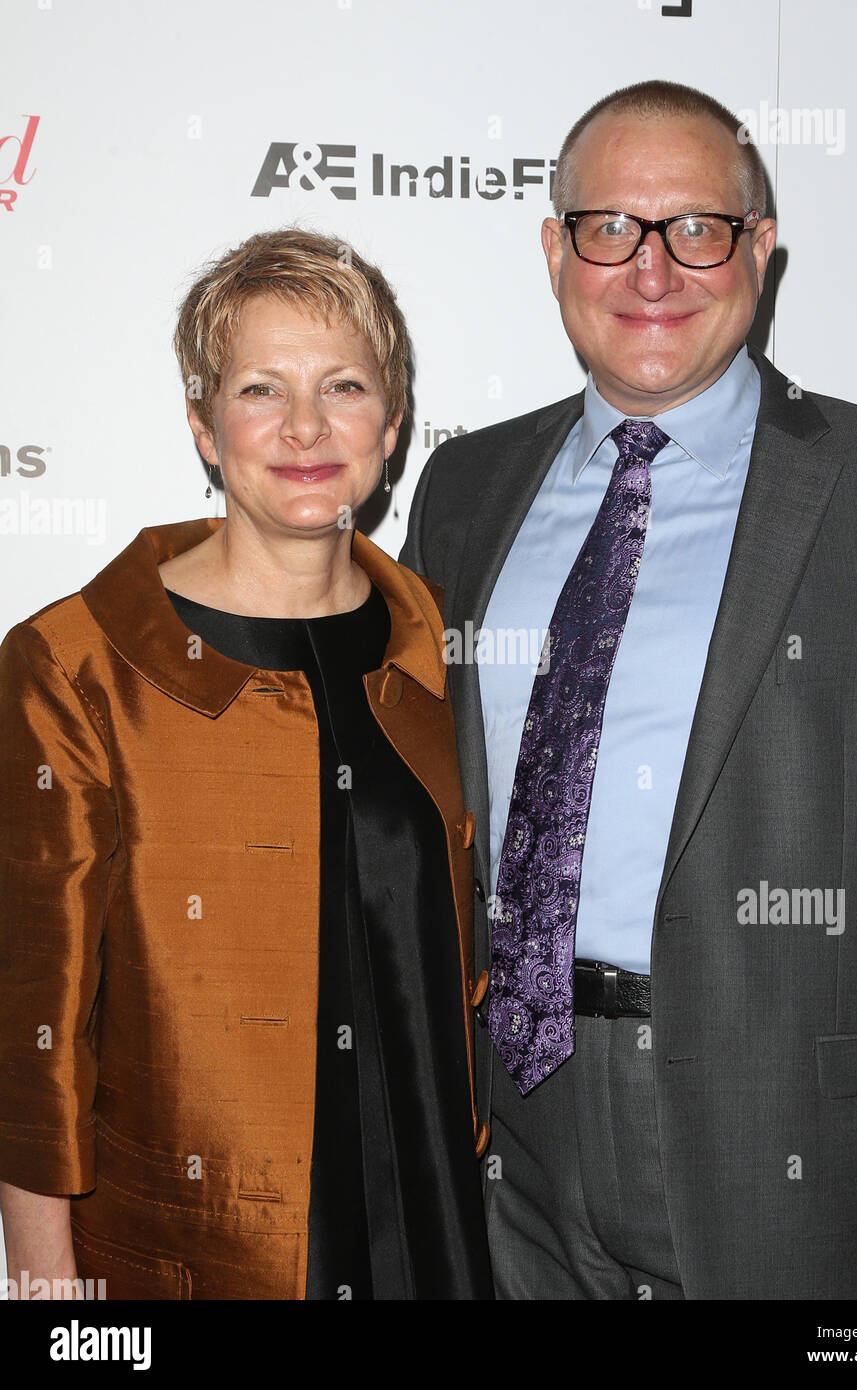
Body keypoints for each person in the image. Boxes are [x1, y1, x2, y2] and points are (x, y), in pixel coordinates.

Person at [400, 80, 857, 1300]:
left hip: (805, 1158)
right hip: (511, 1125)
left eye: (696, 228)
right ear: (555, 248)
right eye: (610, 225)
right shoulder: (462, 492)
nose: (651, 269)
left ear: (759, 251)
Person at [0, 227, 492, 1300]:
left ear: (392, 420)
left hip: (433, 1231)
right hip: (196, 1257)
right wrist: (47, 1293)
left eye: (344, 386)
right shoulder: (77, 665)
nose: (307, 427)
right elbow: (35, 1032)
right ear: (203, 426)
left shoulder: (443, 652)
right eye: (261, 388)